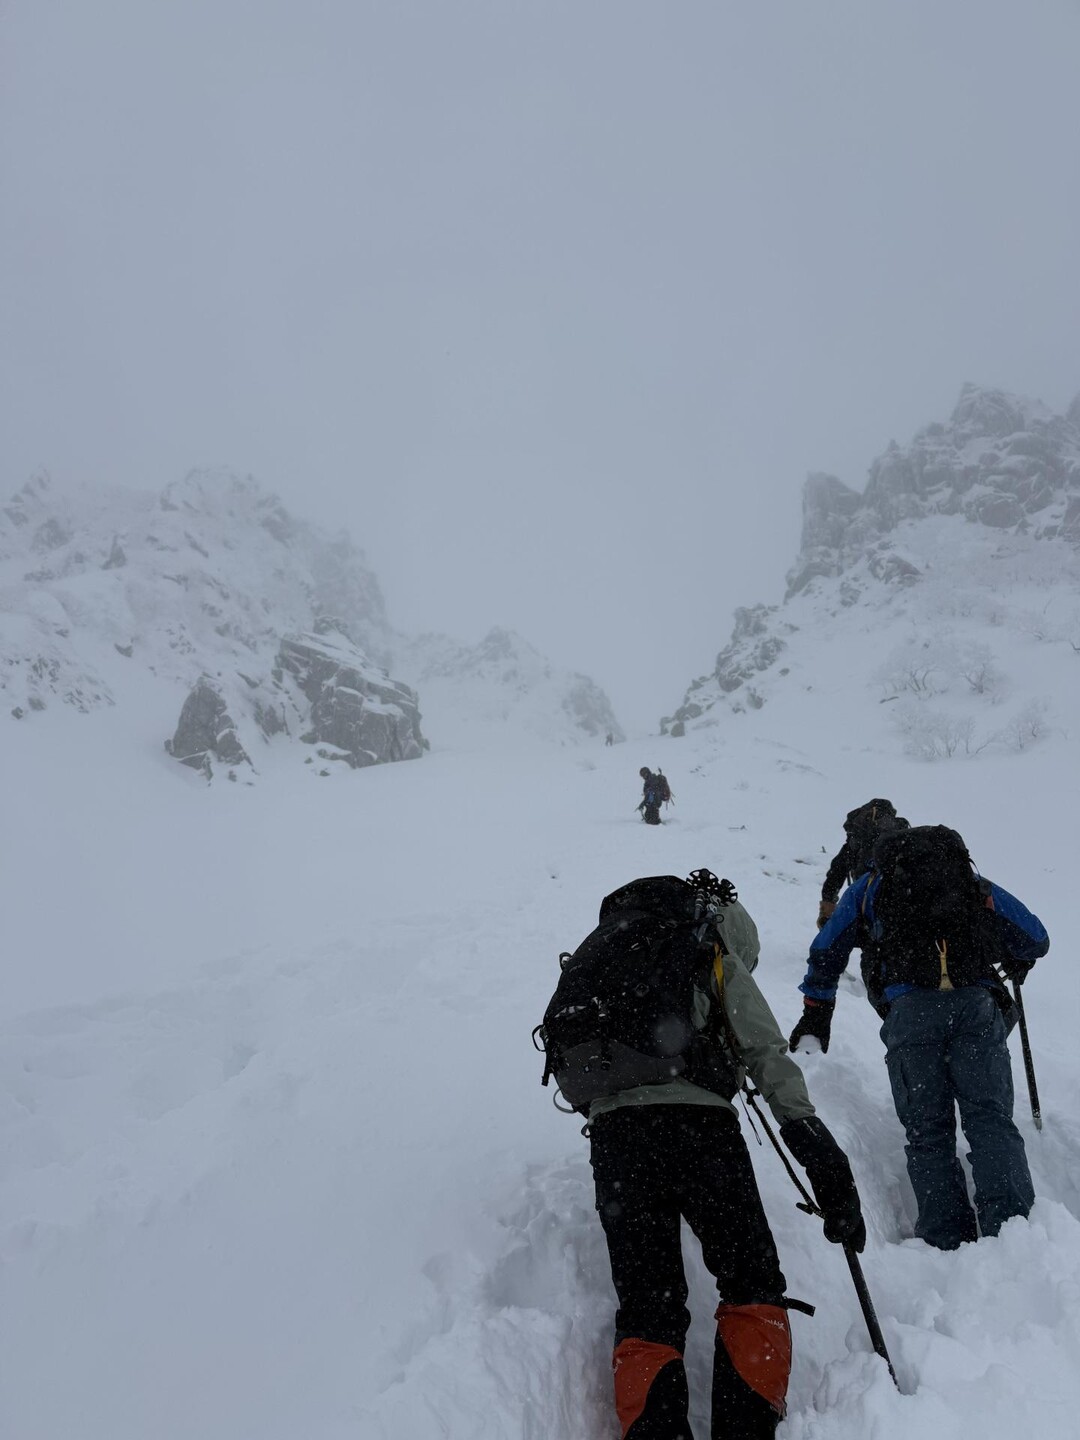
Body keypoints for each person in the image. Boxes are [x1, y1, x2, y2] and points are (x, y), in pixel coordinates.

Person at [543, 872, 865, 1440]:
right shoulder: (706, 943)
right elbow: (763, 1045)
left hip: (617, 1140)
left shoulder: (612, 951)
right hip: (699, 1130)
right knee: (750, 1283)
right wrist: (812, 1142)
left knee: (647, 1308)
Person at [790, 824, 1049, 1251]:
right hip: (976, 1008)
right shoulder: (970, 882)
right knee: (990, 1120)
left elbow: (826, 950)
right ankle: (1012, 1232)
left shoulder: (870, 888)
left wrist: (817, 1012)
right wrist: (1009, 957)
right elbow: (1036, 939)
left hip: (910, 1015)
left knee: (928, 1130)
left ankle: (945, 1237)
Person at [817, 798, 907, 928]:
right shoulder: (898, 834)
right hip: (896, 898)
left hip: (864, 897)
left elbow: (837, 871)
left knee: (868, 935)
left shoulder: (857, 838)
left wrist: (827, 905)